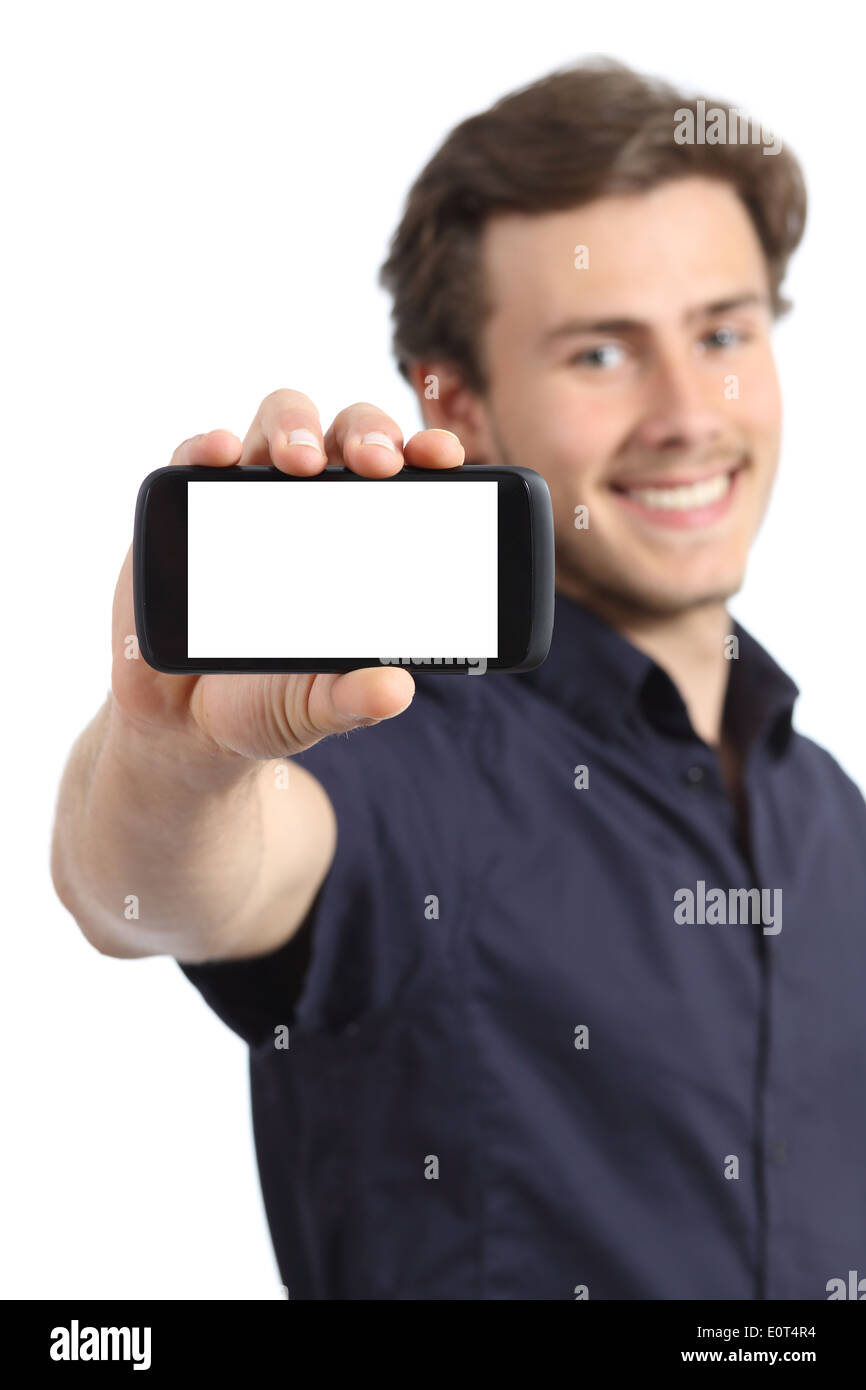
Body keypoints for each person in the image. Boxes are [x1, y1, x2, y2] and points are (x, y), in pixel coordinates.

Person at [50, 57, 866, 1301]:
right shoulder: (394, 749)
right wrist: (172, 764)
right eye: (601, 353)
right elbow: (149, 892)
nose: (689, 410)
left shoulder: (831, 811)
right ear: (457, 408)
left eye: (721, 332)